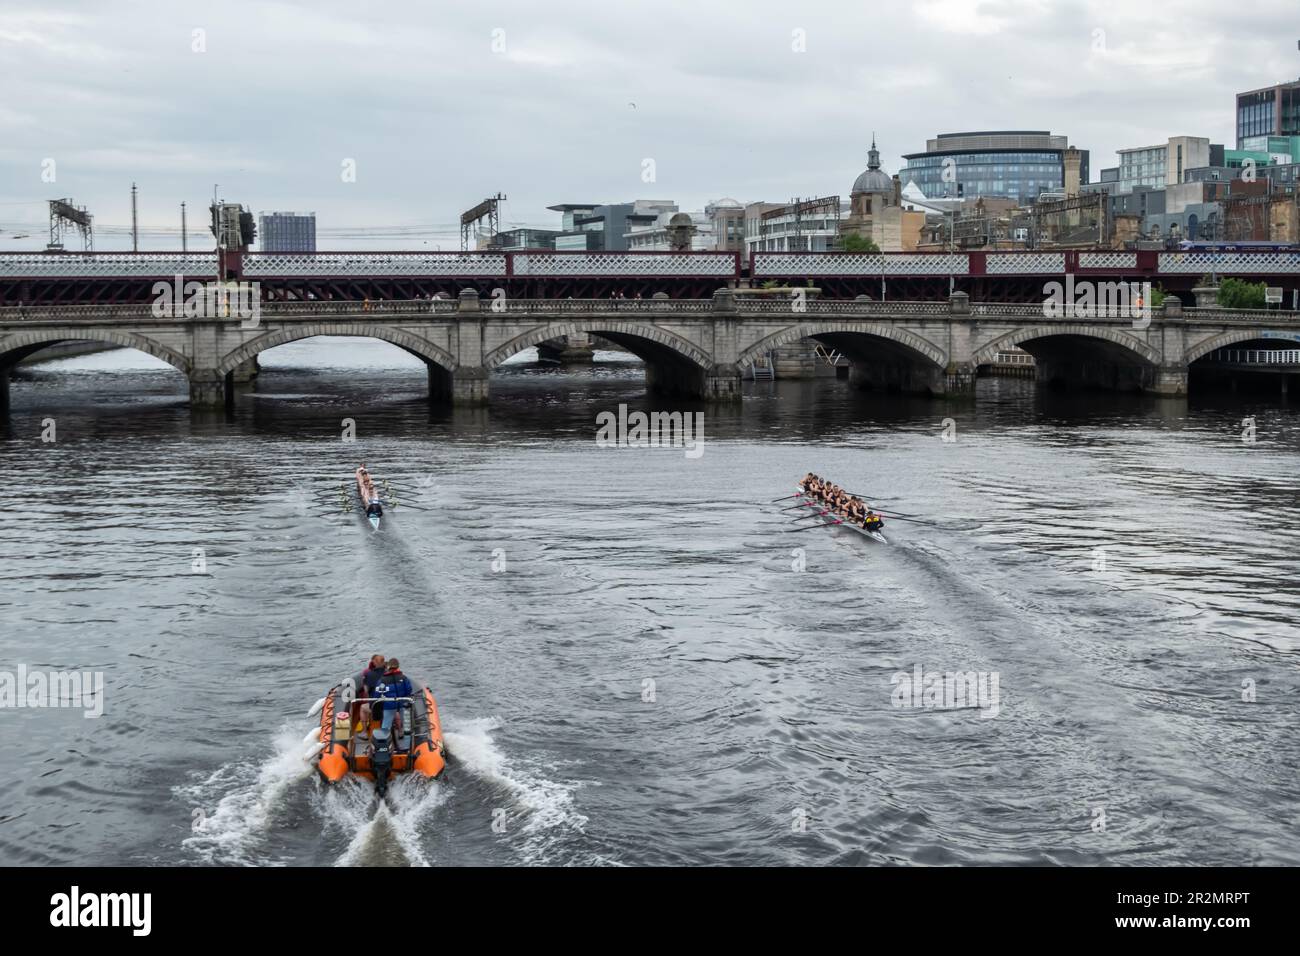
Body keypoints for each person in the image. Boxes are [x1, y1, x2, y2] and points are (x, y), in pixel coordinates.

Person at [374, 658, 413, 738]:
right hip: (402, 704)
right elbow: (409, 689)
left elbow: (377, 694)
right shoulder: (403, 678)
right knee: (406, 724)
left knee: (386, 725)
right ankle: (407, 743)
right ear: (398, 666)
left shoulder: (382, 680)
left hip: (389, 705)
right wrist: (404, 697)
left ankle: (384, 740)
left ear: (388, 667)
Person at [352, 654, 386, 733]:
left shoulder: (369, 675)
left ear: (374, 663)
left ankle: (364, 732)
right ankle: (400, 730)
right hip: (389, 705)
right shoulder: (388, 674)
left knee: (363, 708)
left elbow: (366, 691)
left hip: (376, 706)